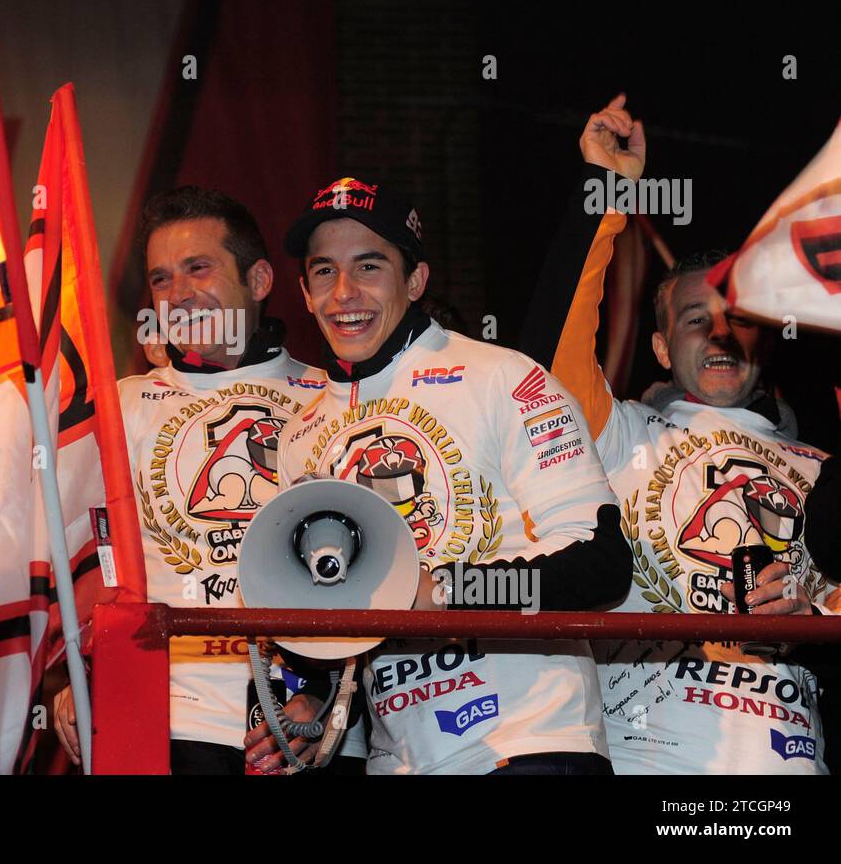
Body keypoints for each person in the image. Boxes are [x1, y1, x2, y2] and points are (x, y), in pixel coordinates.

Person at [246, 176, 631, 774]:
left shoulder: (503, 377)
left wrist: (446, 591)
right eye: (324, 271)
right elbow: (334, 620)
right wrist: (311, 701)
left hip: (530, 744)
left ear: (416, 280)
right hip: (398, 759)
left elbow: (600, 565)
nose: (344, 292)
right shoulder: (298, 436)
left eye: (368, 266)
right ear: (303, 290)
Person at [537, 94, 834, 774]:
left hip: (790, 765)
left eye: (738, 317)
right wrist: (606, 190)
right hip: (648, 757)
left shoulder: (823, 468)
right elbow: (553, 353)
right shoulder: (617, 432)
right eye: (696, 319)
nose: (720, 333)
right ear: (663, 349)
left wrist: (812, 620)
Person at [53, 185, 364, 774]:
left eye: (199, 268)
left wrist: (323, 694)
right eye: (162, 279)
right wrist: (82, 664)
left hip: (304, 718)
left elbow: (368, 566)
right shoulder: (121, 407)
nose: (179, 295)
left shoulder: (336, 399)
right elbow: (84, 556)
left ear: (260, 280)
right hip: (162, 717)